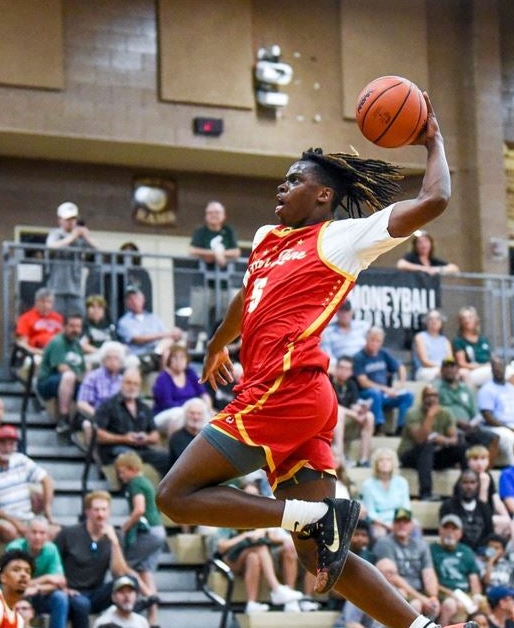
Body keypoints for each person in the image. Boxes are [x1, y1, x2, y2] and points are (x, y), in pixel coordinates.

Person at [154, 115, 451, 628]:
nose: (282, 185)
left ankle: (310, 514)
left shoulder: (342, 239)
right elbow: (248, 297)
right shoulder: (267, 237)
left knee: (174, 498)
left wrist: (434, 143)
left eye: (295, 179)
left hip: (282, 392)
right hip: (300, 400)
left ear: (322, 196)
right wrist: (216, 344)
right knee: (318, 558)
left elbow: (434, 201)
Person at [56, 491, 137, 627]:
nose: (100, 514)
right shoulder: (68, 533)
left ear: (109, 512)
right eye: (96, 510)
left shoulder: (116, 535)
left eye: (104, 510)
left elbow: (119, 573)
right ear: (87, 512)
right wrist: (62, 587)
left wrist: (114, 543)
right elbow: (54, 562)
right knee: (82, 604)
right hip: (72, 592)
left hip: (96, 592)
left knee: (129, 582)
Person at [0, 425, 54, 540]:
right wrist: (15, 522)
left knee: (55, 532)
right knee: (9, 530)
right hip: (2, 518)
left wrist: (47, 508)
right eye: (3, 443)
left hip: (28, 515)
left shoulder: (20, 459)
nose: (7, 448)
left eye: (11, 444)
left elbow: (47, 480)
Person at [113, 453, 164, 626]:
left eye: (122, 472)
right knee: (145, 570)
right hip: (159, 530)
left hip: (148, 532)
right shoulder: (147, 482)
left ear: (132, 469)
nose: (121, 477)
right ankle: (153, 620)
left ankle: (149, 596)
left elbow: (139, 509)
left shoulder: (135, 483)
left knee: (125, 565)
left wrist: (123, 528)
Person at [92, 368, 168, 471]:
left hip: (141, 449)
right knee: (129, 457)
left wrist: (146, 438)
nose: (132, 387)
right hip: (115, 450)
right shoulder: (107, 406)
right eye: (128, 383)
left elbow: (155, 436)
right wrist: (124, 438)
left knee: (168, 458)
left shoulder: (144, 407)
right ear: (121, 383)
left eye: (135, 384)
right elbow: (98, 435)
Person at [373, 507, 442, 618]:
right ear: (393, 524)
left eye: (405, 522)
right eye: (398, 521)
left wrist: (433, 596)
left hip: (419, 591)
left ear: (412, 525)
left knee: (436, 606)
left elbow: (428, 572)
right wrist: (421, 598)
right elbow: (391, 577)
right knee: (415, 605)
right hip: (397, 591)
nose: (402, 525)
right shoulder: (385, 543)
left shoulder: (421, 545)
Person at [3, 518, 72, 628]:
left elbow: (60, 581)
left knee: (60, 598)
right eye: (34, 532)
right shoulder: (15, 548)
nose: (37, 537)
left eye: (42, 533)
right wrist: (47, 577)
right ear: (26, 533)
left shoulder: (51, 549)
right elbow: (13, 582)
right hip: (14, 594)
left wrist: (37, 588)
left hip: (38, 594)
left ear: (48, 536)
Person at [400, 383, 463, 500]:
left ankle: (461, 492)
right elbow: (420, 439)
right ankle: (425, 492)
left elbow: (454, 439)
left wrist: (442, 439)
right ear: (423, 398)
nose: (432, 399)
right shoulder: (412, 413)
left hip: (432, 456)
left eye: (434, 396)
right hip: (410, 455)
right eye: (428, 396)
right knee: (427, 446)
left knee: (461, 448)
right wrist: (430, 416)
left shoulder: (446, 413)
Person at [353, 327, 415, 433]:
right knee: (375, 393)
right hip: (367, 394)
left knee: (408, 395)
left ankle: (401, 427)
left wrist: (400, 385)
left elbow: (401, 367)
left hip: (385, 393)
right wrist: (385, 389)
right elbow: (363, 382)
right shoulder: (359, 357)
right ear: (366, 339)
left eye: (378, 341)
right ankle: (378, 425)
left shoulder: (384, 353)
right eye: (372, 340)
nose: (375, 343)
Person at [46, 202, 99, 317]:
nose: (71, 222)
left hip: (76, 290)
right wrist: (72, 237)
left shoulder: (80, 236)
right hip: (57, 290)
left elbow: (98, 249)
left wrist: (87, 236)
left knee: (78, 321)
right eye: (68, 219)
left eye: (74, 218)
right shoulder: (56, 233)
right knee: (56, 321)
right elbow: (50, 246)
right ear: (60, 220)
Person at [431, 514, 483, 625]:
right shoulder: (432, 550)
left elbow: (474, 578)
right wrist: (452, 593)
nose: (450, 532)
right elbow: (430, 580)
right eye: (446, 528)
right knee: (451, 604)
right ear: (440, 530)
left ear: (460, 533)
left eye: (454, 529)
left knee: (484, 605)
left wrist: (476, 596)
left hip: (465, 593)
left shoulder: (466, 551)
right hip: (443, 592)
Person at [38, 313, 87, 426]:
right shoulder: (58, 342)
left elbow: (83, 370)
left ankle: (83, 419)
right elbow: (62, 369)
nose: (75, 330)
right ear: (64, 326)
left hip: (71, 381)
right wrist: (81, 378)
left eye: (78, 326)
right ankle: (63, 418)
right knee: (69, 376)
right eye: (72, 326)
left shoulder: (77, 344)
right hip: (48, 382)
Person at [150, 344, 210, 435]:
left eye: (182, 358)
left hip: (190, 411)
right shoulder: (163, 378)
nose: (179, 361)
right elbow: (167, 404)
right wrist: (190, 408)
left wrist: (206, 408)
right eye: (175, 357)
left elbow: (204, 394)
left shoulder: (190, 373)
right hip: (165, 413)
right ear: (169, 360)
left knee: (208, 417)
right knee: (180, 415)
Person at [454, 308, 514, 387]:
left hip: (489, 368)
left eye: (470, 317)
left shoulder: (483, 339)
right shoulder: (459, 341)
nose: (467, 321)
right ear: (460, 322)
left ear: (475, 320)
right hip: (473, 370)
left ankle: (510, 396)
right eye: (464, 318)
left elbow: (490, 357)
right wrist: (481, 366)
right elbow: (461, 363)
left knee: (511, 371)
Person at [332, 355, 376, 466]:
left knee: (369, 416)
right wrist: (354, 414)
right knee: (340, 412)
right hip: (330, 421)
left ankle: (364, 459)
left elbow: (354, 404)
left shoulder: (351, 384)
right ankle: (340, 456)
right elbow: (333, 405)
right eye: (341, 367)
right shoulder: (328, 380)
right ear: (336, 368)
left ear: (351, 372)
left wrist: (361, 409)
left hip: (346, 420)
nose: (343, 371)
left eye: (347, 369)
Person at [360, 447, 412, 536]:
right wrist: (386, 525)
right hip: (378, 523)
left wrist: (398, 523)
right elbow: (370, 512)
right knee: (379, 533)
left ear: (393, 464)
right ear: (376, 464)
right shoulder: (367, 485)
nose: (384, 463)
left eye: (388, 460)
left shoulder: (402, 482)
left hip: (399, 520)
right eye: (381, 460)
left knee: (415, 528)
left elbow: (406, 507)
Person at [440, 469, 495, 552]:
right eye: (465, 483)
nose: (469, 487)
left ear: (478, 485)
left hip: (481, 553)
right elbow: (446, 533)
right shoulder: (448, 506)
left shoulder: (484, 508)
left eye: (472, 483)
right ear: (459, 485)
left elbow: (490, 535)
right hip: (456, 552)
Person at [14, 287, 65, 357]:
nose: (46, 305)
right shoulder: (25, 318)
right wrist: (40, 353)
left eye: (49, 302)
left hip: (57, 353)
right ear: (36, 302)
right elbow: (22, 344)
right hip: (36, 353)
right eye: (42, 301)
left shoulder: (59, 318)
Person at [320, 300, 371, 364]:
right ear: (336, 313)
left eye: (347, 311)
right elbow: (327, 355)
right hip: (342, 367)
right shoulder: (328, 332)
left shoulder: (363, 326)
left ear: (352, 312)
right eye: (342, 311)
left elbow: (372, 345)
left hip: (363, 364)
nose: (345, 314)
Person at [413, 309, 454, 381]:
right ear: (426, 322)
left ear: (441, 323)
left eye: (437, 319)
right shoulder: (420, 337)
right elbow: (424, 361)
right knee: (443, 374)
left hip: (444, 369)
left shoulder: (445, 341)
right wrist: (442, 368)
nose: (434, 321)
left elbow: (450, 360)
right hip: (426, 370)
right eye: (430, 319)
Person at [168, 398, 208, 465]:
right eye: (192, 413)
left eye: (199, 414)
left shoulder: (207, 438)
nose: (196, 417)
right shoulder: (177, 438)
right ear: (185, 414)